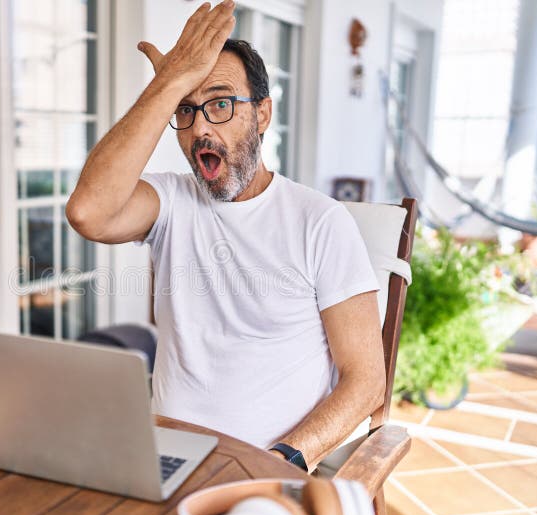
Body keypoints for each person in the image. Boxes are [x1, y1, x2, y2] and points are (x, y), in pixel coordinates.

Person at [66, 0, 385, 472]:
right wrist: (166, 84)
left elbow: (366, 381)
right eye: (186, 110)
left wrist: (284, 460)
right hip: (164, 460)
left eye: (219, 104)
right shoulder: (170, 202)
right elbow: (89, 212)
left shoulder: (319, 222)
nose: (200, 129)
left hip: (267, 468)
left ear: (261, 114)